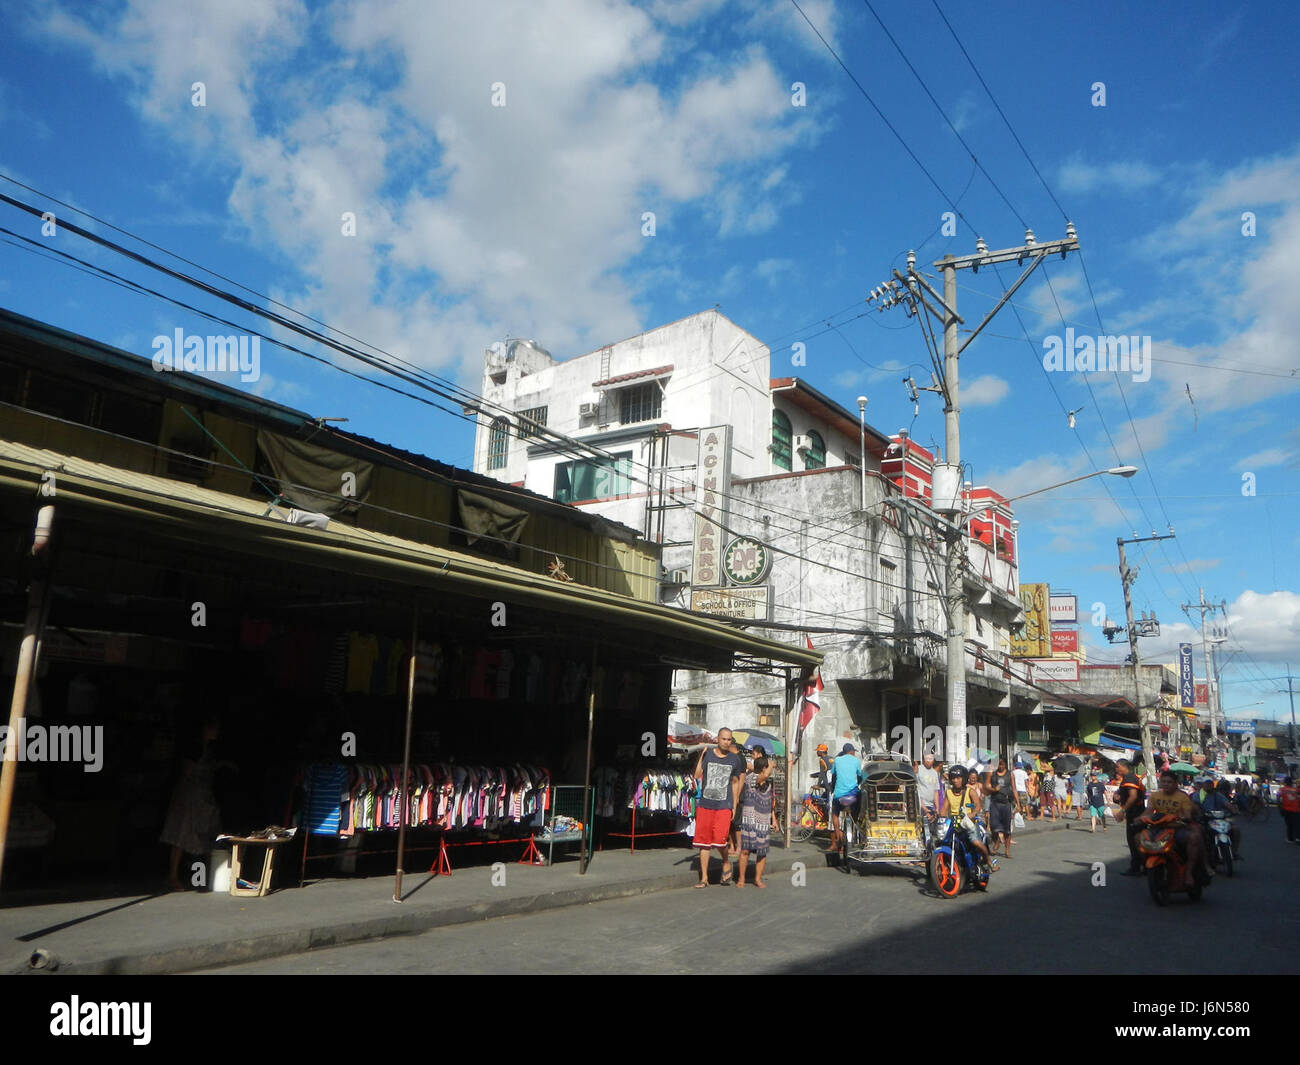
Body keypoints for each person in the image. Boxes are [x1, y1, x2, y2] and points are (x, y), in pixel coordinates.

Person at [161, 716, 224, 892]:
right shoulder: (195, 748)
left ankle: (199, 877)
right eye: (214, 727)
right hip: (190, 796)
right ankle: (172, 876)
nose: (217, 731)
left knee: (202, 835)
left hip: (201, 796)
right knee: (181, 834)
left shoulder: (207, 748)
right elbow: (187, 773)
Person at [693, 727, 746, 887]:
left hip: (724, 805)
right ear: (717, 739)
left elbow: (736, 782)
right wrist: (701, 757)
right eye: (724, 739)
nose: (726, 742)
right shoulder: (708, 755)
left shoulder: (734, 759)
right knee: (704, 842)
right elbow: (696, 776)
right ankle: (704, 878)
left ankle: (725, 861)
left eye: (729, 739)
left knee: (720, 840)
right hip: (706, 804)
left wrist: (734, 804)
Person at [1139, 770, 1210, 883]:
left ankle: (1189, 872)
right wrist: (1139, 819)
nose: (1166, 784)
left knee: (1194, 838)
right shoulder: (1155, 795)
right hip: (1158, 828)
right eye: (1164, 781)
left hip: (1177, 829)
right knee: (1138, 838)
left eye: (1169, 782)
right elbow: (1149, 811)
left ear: (1176, 783)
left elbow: (1187, 814)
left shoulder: (1183, 797)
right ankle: (1146, 867)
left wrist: (1181, 816)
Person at [937, 765, 995, 870]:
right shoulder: (949, 792)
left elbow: (978, 805)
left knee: (975, 842)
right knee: (942, 840)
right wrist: (940, 816)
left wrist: (972, 813)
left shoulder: (970, 791)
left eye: (958, 778)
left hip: (968, 822)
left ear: (963, 779)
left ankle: (989, 861)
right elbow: (944, 810)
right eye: (953, 778)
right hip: (954, 823)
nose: (955, 781)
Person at [737, 756, 779, 888]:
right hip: (750, 819)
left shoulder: (767, 783)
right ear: (764, 768)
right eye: (768, 767)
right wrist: (772, 764)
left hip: (764, 820)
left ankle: (757, 878)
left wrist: (774, 819)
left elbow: (769, 801)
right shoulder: (751, 778)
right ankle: (741, 878)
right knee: (745, 850)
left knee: (762, 852)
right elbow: (765, 775)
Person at [1113, 759, 1148, 876]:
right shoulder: (1132, 778)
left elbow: (1133, 796)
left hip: (1136, 814)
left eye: (1118, 767)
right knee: (1136, 840)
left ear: (1124, 767)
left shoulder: (1129, 778)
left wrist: (1122, 811)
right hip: (1136, 813)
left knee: (1135, 841)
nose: (1116, 769)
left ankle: (1138, 867)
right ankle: (1141, 866)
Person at [1196, 777, 1242, 861]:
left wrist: (1234, 810)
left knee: (1236, 830)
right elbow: (1195, 807)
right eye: (1206, 783)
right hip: (1204, 821)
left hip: (1219, 820)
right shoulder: (1198, 795)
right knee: (1199, 834)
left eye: (1210, 783)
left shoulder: (1218, 795)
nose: (1209, 785)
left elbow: (1227, 804)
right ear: (1203, 785)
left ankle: (1234, 852)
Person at [829, 743, 862, 852]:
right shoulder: (856, 761)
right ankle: (853, 827)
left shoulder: (837, 760)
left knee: (834, 814)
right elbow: (860, 776)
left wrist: (833, 789)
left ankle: (838, 834)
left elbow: (833, 774)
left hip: (838, 796)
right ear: (852, 751)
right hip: (852, 796)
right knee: (856, 810)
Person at [984, 757, 1020, 858]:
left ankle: (1007, 851)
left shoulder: (1010, 775)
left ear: (1005, 764)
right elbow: (986, 785)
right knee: (994, 828)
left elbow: (1014, 789)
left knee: (1006, 830)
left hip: (1006, 804)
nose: (1000, 766)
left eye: (1002, 764)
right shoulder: (992, 774)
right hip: (995, 804)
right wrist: (993, 789)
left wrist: (1018, 804)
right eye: (999, 764)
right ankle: (997, 842)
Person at [916, 752, 941, 817]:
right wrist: (923, 807)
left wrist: (937, 808)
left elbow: (936, 792)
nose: (928, 761)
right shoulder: (918, 769)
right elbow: (915, 789)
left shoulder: (935, 773)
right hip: (920, 805)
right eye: (926, 759)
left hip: (931, 806)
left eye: (930, 759)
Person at [1279, 777, 1300, 844]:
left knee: (1289, 824)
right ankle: (1298, 838)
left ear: (1285, 782)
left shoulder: (1282, 789)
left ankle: (1290, 838)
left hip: (1286, 809)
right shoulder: (1296, 790)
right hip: (1295, 809)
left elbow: (1279, 799)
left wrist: (1280, 808)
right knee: (1296, 824)